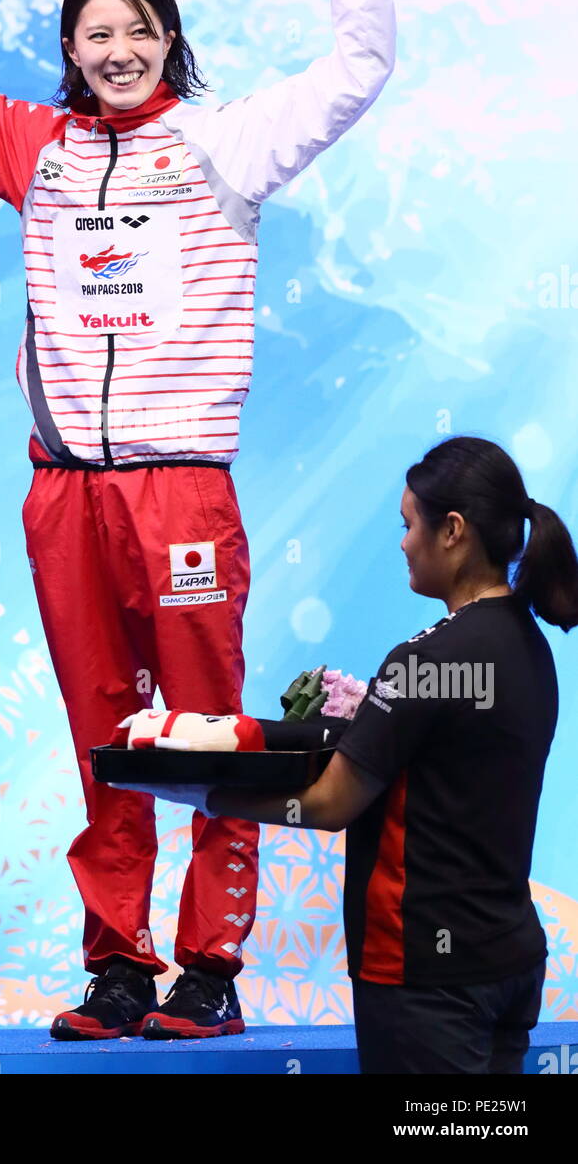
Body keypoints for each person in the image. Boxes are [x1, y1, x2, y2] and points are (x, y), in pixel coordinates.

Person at [0, 0, 395, 1039]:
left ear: (168, 41)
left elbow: (353, 72)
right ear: (68, 49)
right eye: (93, 35)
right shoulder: (34, 151)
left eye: (135, 31)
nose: (114, 51)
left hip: (181, 495)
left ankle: (208, 967)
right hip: (66, 496)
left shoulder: (223, 142)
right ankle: (115, 963)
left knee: (205, 733)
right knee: (101, 734)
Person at [117, 435, 578, 1068]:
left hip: (423, 980)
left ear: (453, 531)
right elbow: (411, 749)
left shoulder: (424, 662)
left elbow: (331, 804)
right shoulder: (532, 649)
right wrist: (228, 732)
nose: (401, 542)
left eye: (408, 524)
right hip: (510, 964)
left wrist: (200, 791)